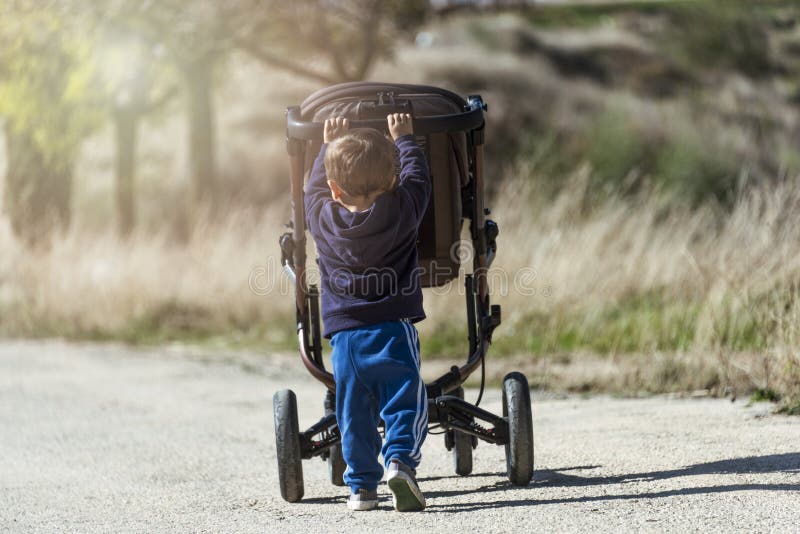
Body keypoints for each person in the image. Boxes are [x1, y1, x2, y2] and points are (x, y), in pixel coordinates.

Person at [304, 113, 431, 512]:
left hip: (345, 339)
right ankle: (399, 461)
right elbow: (420, 183)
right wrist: (405, 140)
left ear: (336, 190)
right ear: (393, 182)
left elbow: (310, 195)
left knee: (353, 413)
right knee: (405, 401)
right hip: (392, 329)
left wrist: (327, 146)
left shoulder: (324, 220)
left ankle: (361, 488)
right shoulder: (400, 212)